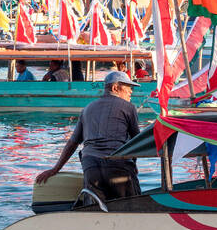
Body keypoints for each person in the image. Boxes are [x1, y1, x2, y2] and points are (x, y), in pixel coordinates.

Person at [36, 70, 143, 201]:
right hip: (118, 167)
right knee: (132, 206)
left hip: (91, 168)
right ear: (115, 87)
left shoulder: (87, 109)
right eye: (128, 88)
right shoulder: (129, 107)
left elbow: (72, 143)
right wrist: (134, 164)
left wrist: (55, 169)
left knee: (95, 210)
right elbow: (137, 141)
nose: (131, 92)